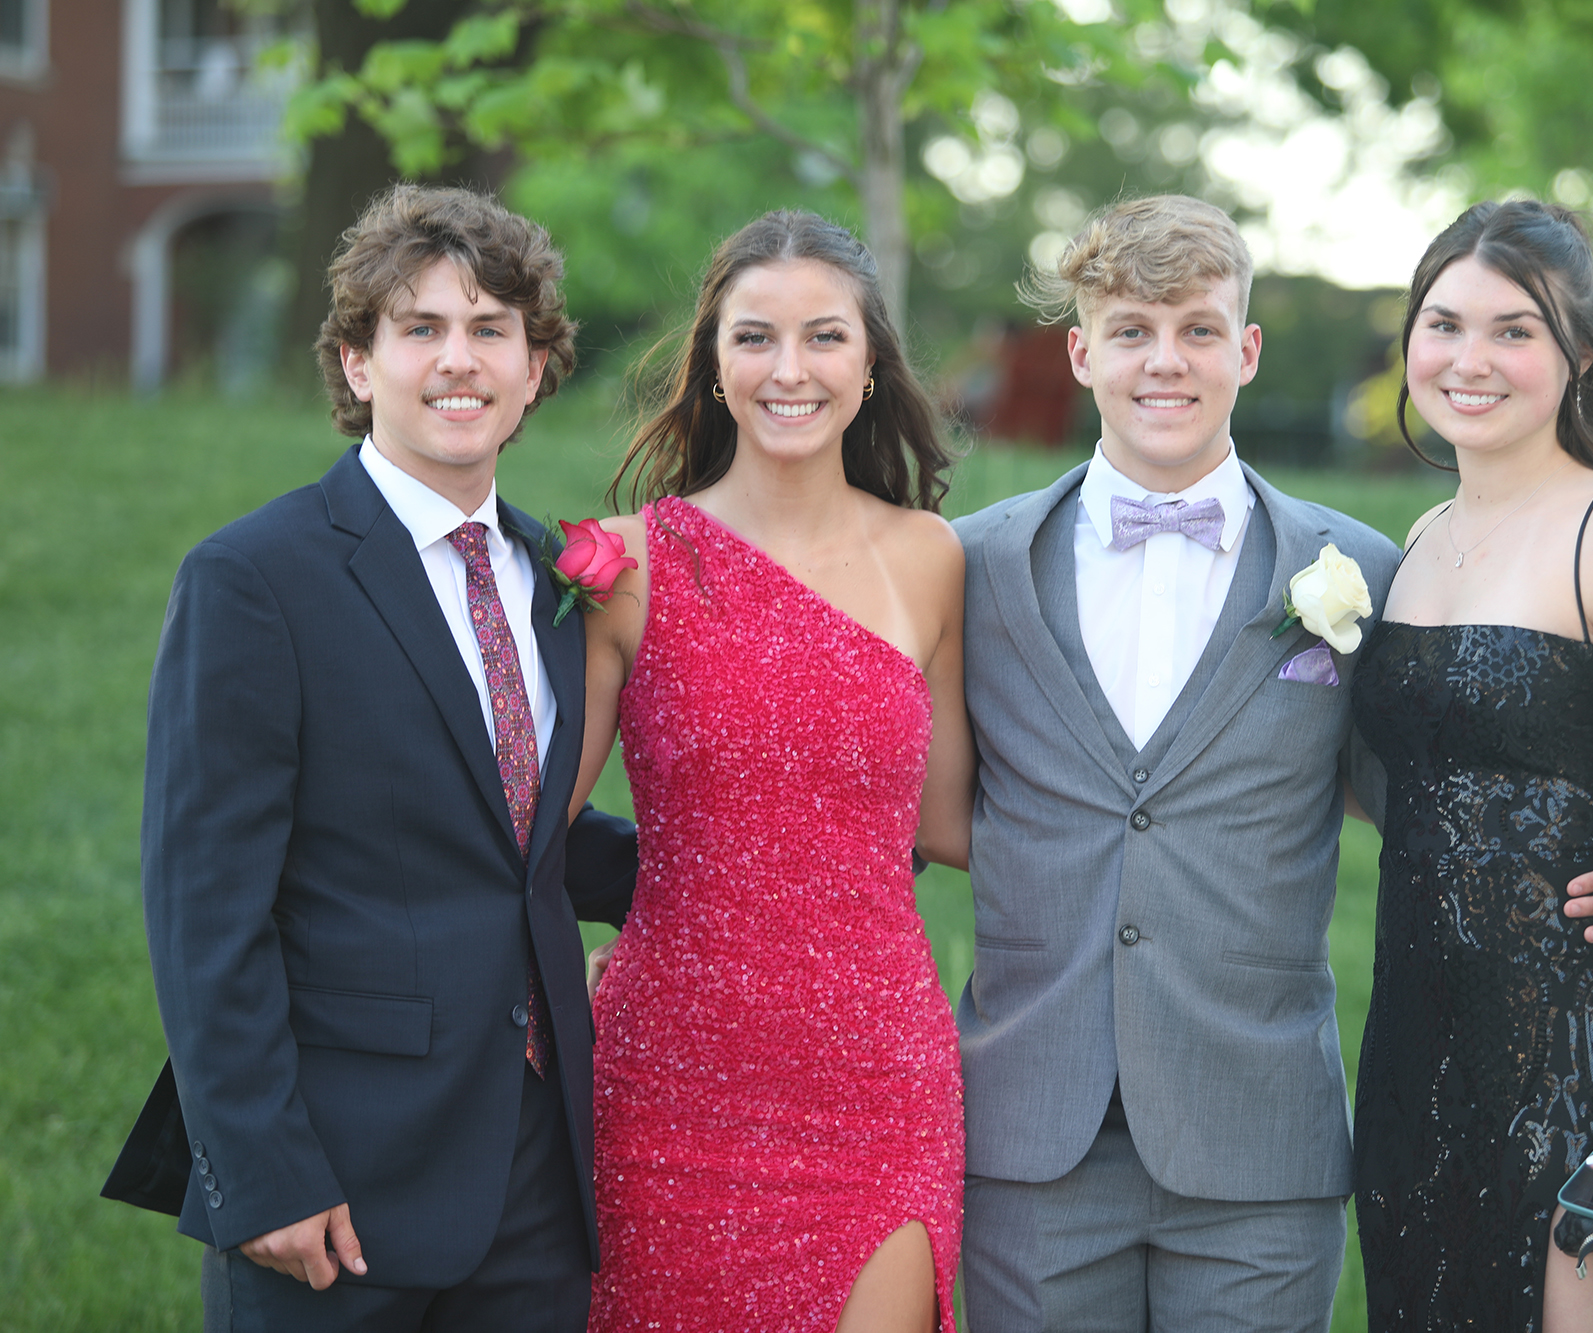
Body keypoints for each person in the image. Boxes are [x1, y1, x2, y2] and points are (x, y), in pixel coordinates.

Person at [949, 194, 1593, 1333]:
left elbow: (1442, 790)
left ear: (1247, 347)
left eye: (1195, 328)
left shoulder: (1361, 570)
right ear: (1079, 352)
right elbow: (914, 803)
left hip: (1257, 1152)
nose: (1163, 360)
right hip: (1028, 1138)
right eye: (1129, 330)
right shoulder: (977, 567)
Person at [99, 184, 637, 1332]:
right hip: (338, 1173)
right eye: (420, 328)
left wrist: (785, 861)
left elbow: (521, 835)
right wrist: (264, 1168)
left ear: (535, 369)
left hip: (536, 1165)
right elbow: (205, 902)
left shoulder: (555, 580)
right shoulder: (256, 578)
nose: (460, 360)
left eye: (493, 329)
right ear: (356, 364)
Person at [567, 210, 973, 1332]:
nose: (788, 370)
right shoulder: (623, 565)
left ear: (870, 362)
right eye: (754, 338)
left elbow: (952, 826)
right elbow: (522, 825)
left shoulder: (930, 557)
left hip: (875, 1079)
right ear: (710, 363)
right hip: (667, 1075)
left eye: (823, 337)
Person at [1348, 198, 1593, 1331]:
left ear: (1576, 357)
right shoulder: (1418, 540)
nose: (1470, 359)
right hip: (1414, 1042)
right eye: (1443, 323)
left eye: (1513, 331)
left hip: (1563, 1039)